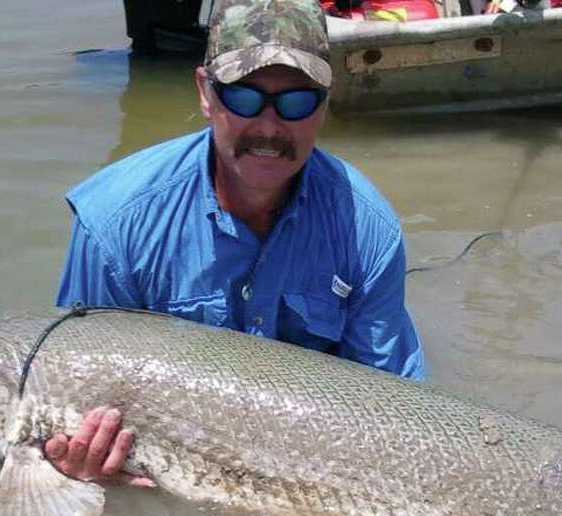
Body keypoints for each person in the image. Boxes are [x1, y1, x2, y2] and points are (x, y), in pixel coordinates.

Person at [45, 0, 427, 484]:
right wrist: (78, 459)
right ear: (206, 92)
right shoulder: (113, 226)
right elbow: (73, 396)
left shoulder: (368, 229)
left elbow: (395, 411)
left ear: (326, 103)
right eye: (244, 98)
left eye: (297, 102)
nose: (268, 128)